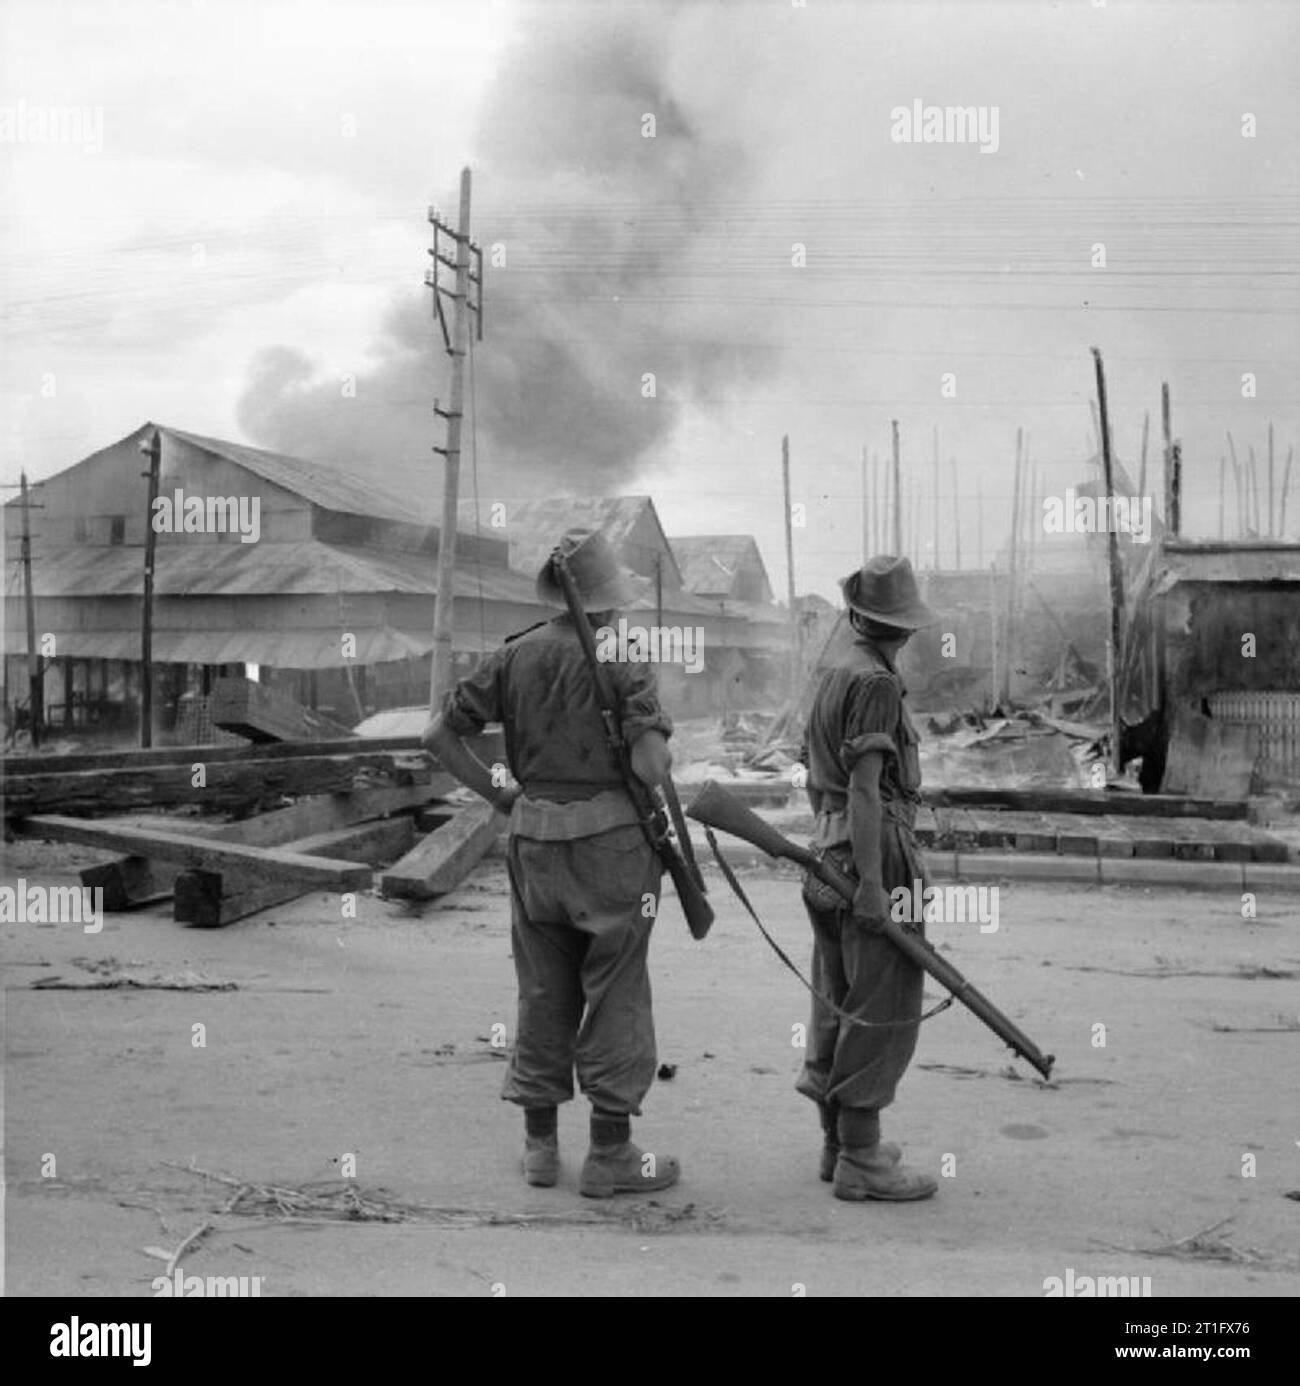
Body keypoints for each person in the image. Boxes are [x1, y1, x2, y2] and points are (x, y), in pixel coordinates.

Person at [421, 526, 681, 1199]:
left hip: (533, 845)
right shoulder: (624, 656)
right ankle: (609, 1156)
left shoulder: (516, 656)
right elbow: (651, 766)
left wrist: (498, 793)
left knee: (542, 991)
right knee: (616, 992)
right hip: (612, 850)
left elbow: (438, 736)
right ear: (610, 598)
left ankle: (540, 1151)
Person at [797, 554, 940, 1202]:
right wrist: (877, 885)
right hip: (870, 853)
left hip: (827, 852)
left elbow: (813, 773)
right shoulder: (877, 683)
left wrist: (837, 848)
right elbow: (864, 789)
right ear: (905, 628)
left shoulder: (834, 670)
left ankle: (838, 1145)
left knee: (838, 996)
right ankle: (862, 1162)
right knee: (880, 1006)